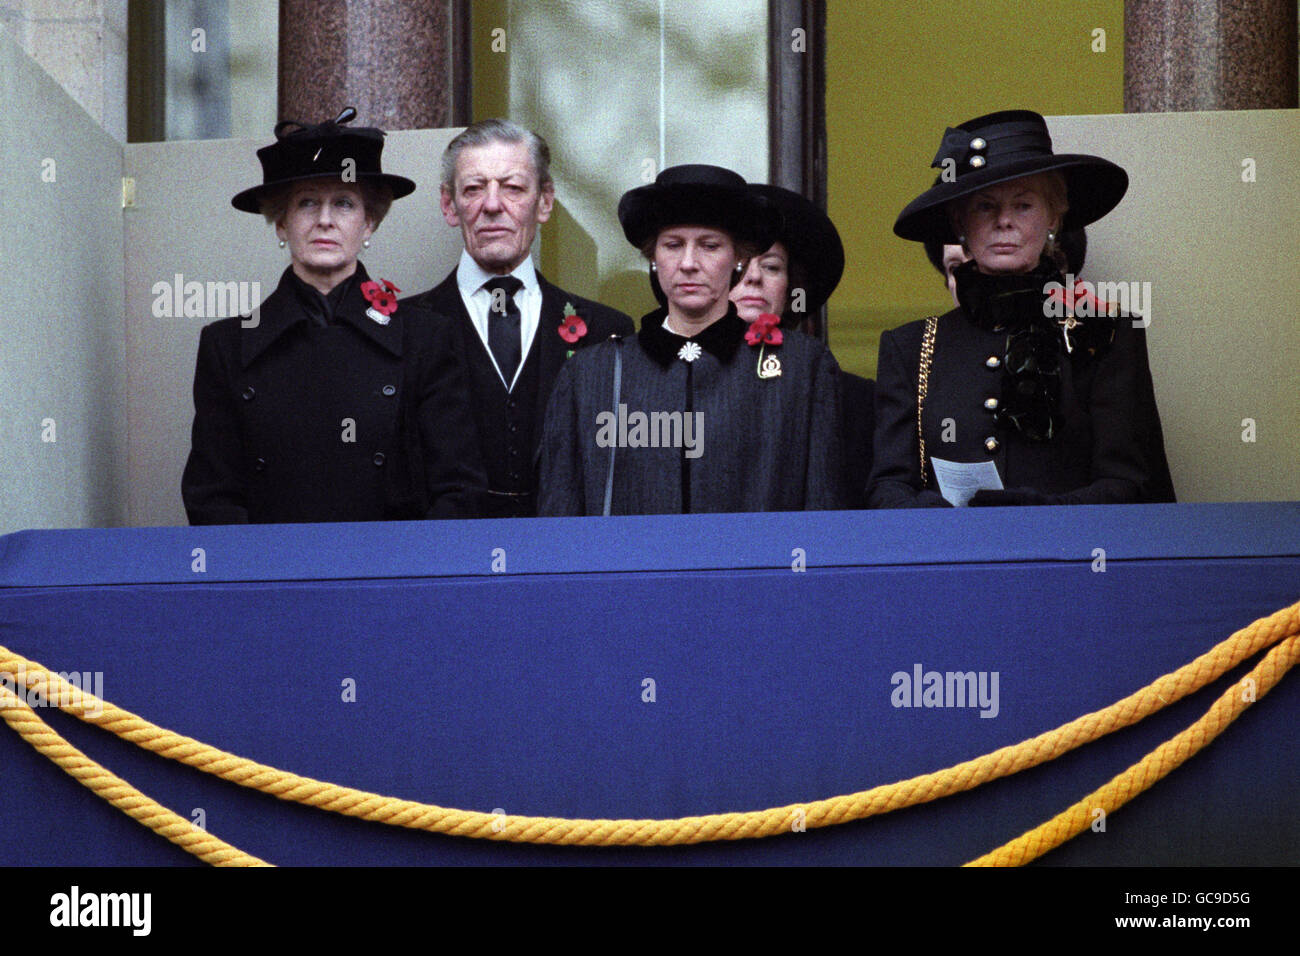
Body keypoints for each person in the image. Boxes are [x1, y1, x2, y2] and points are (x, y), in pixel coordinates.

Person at [182, 108, 485, 524]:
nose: (324, 220)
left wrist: (406, 578)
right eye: (307, 203)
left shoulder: (424, 338)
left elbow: (458, 490)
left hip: (390, 577)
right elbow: (211, 498)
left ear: (369, 224)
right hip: (272, 578)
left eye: (343, 203)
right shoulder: (228, 346)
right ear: (281, 223)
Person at [870, 109, 1171, 508]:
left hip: (1073, 561)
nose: (1004, 222)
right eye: (984, 206)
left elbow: (1130, 484)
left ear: (1054, 216)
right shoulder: (911, 347)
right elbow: (888, 488)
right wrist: (944, 523)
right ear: (959, 223)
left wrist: (1038, 518)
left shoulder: (1106, 333)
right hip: (952, 563)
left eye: (1024, 205)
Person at [538, 164, 845, 515]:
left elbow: (823, 515)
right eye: (672, 245)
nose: (688, 263)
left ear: (739, 259)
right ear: (653, 257)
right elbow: (561, 520)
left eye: (709, 246)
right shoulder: (591, 374)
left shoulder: (802, 369)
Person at [402, 119, 634, 518]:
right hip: (443, 562)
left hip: (566, 563)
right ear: (448, 205)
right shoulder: (402, 330)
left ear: (544, 202)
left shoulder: (606, 332)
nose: (492, 205)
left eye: (512, 187)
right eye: (474, 188)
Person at [729, 184, 873, 507]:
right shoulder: (681, 376)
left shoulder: (853, 400)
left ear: (792, 287)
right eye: (740, 263)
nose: (753, 277)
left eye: (771, 266)